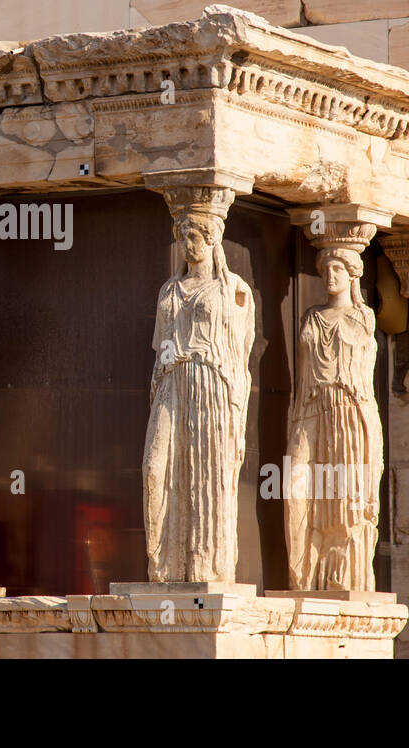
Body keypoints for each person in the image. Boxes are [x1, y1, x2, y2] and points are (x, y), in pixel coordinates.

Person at [144, 209, 254, 583]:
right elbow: (159, 343)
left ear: (212, 240)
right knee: (155, 468)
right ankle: (164, 567)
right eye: (182, 237)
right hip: (171, 383)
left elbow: (241, 352)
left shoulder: (233, 290)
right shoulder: (168, 290)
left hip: (211, 383)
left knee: (208, 476)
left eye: (194, 237)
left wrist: (236, 408)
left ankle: (206, 568)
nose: (186, 245)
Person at [285, 247, 383, 592]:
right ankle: (303, 576)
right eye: (326, 268)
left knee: (346, 498)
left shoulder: (363, 318)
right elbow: (301, 376)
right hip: (311, 408)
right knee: (297, 490)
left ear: (353, 274)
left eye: (338, 268)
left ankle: (343, 578)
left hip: (349, 412)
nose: (330, 276)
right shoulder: (311, 317)